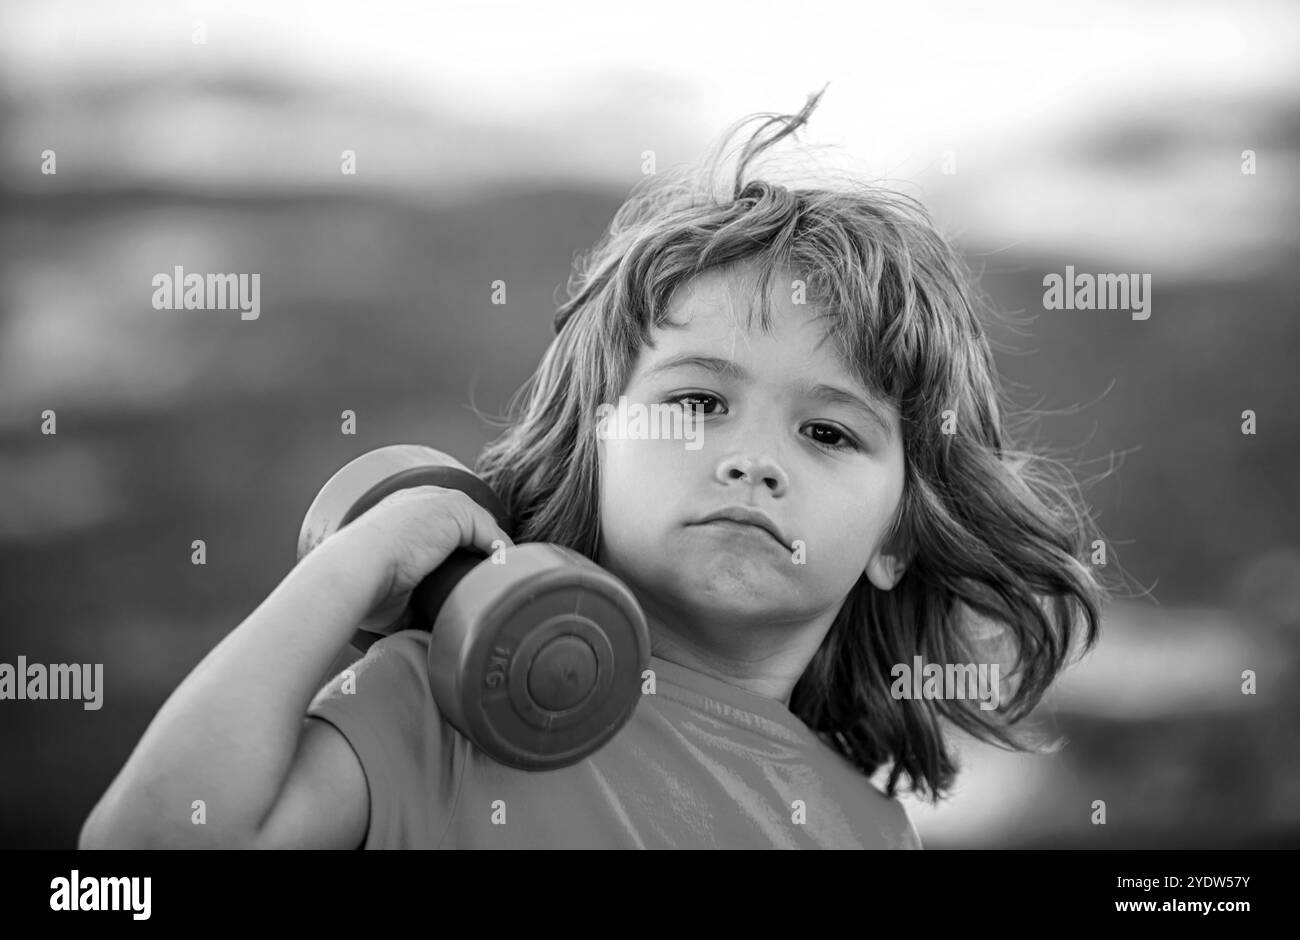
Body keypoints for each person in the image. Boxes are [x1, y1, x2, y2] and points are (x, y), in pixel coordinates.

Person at [79, 88, 1107, 850]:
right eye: (698, 402)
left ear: (894, 536)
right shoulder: (441, 710)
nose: (751, 460)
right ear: (598, 444)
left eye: (829, 433)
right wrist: (349, 569)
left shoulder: (870, 833)